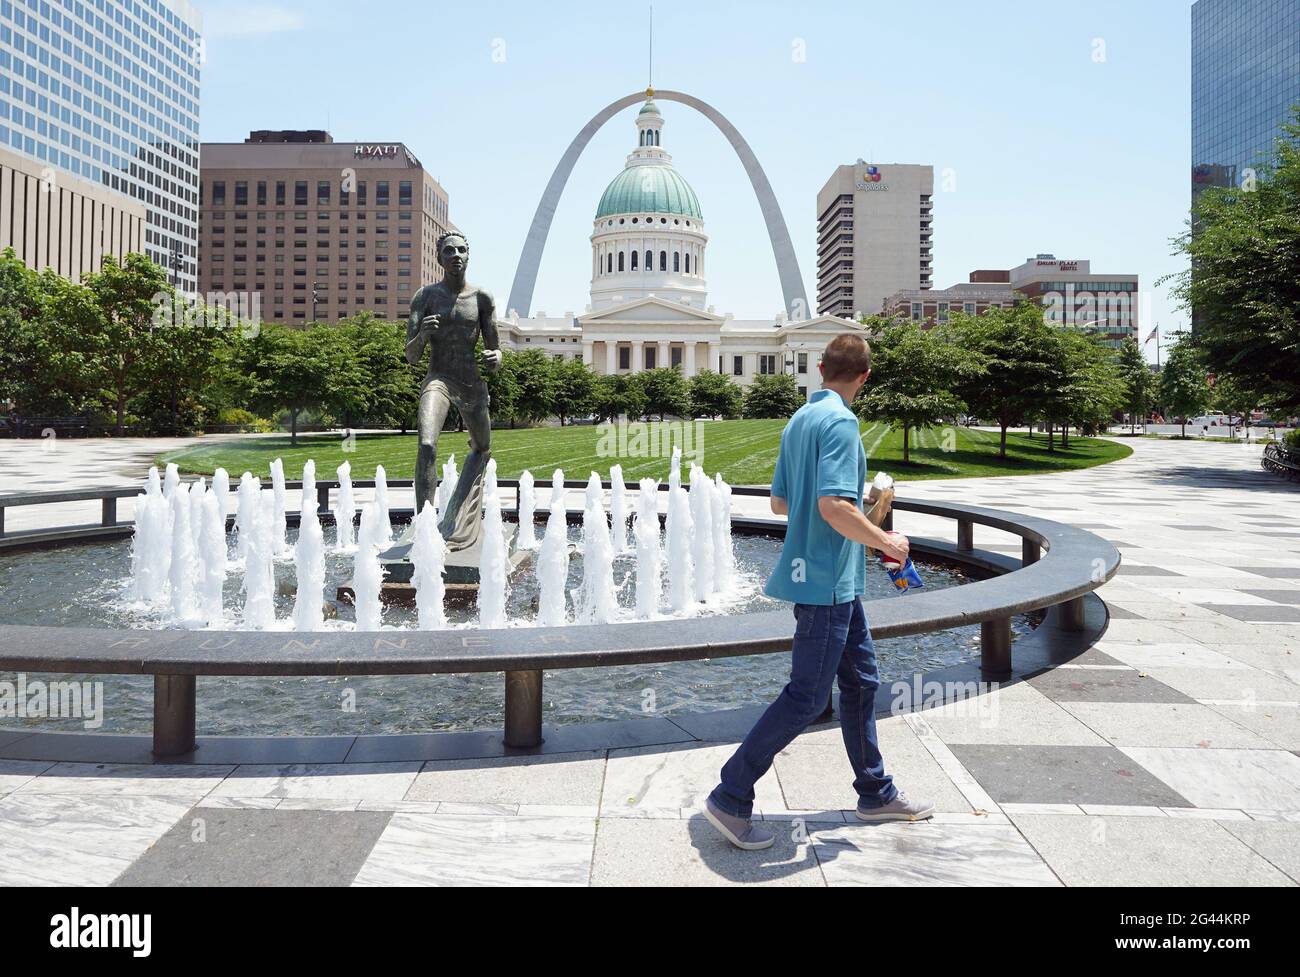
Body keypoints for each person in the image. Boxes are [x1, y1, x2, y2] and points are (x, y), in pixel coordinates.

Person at [704, 333, 934, 850]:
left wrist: (863, 513)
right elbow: (832, 506)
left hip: (834, 580)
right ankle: (730, 794)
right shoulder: (841, 422)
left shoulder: (799, 420)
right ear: (865, 376)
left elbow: (782, 505)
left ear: (821, 368)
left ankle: (875, 793)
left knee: (862, 683)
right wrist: (887, 539)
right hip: (828, 582)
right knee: (806, 696)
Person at [406, 232, 502, 550]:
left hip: (472, 384)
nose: (456, 255)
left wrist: (494, 358)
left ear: (468, 256)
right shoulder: (425, 297)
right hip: (439, 379)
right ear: (439, 258)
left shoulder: (482, 299)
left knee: (482, 447)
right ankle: (424, 527)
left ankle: (458, 511)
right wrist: (422, 335)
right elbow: (410, 356)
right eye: (449, 251)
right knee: (426, 445)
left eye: (461, 250)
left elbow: (495, 353)